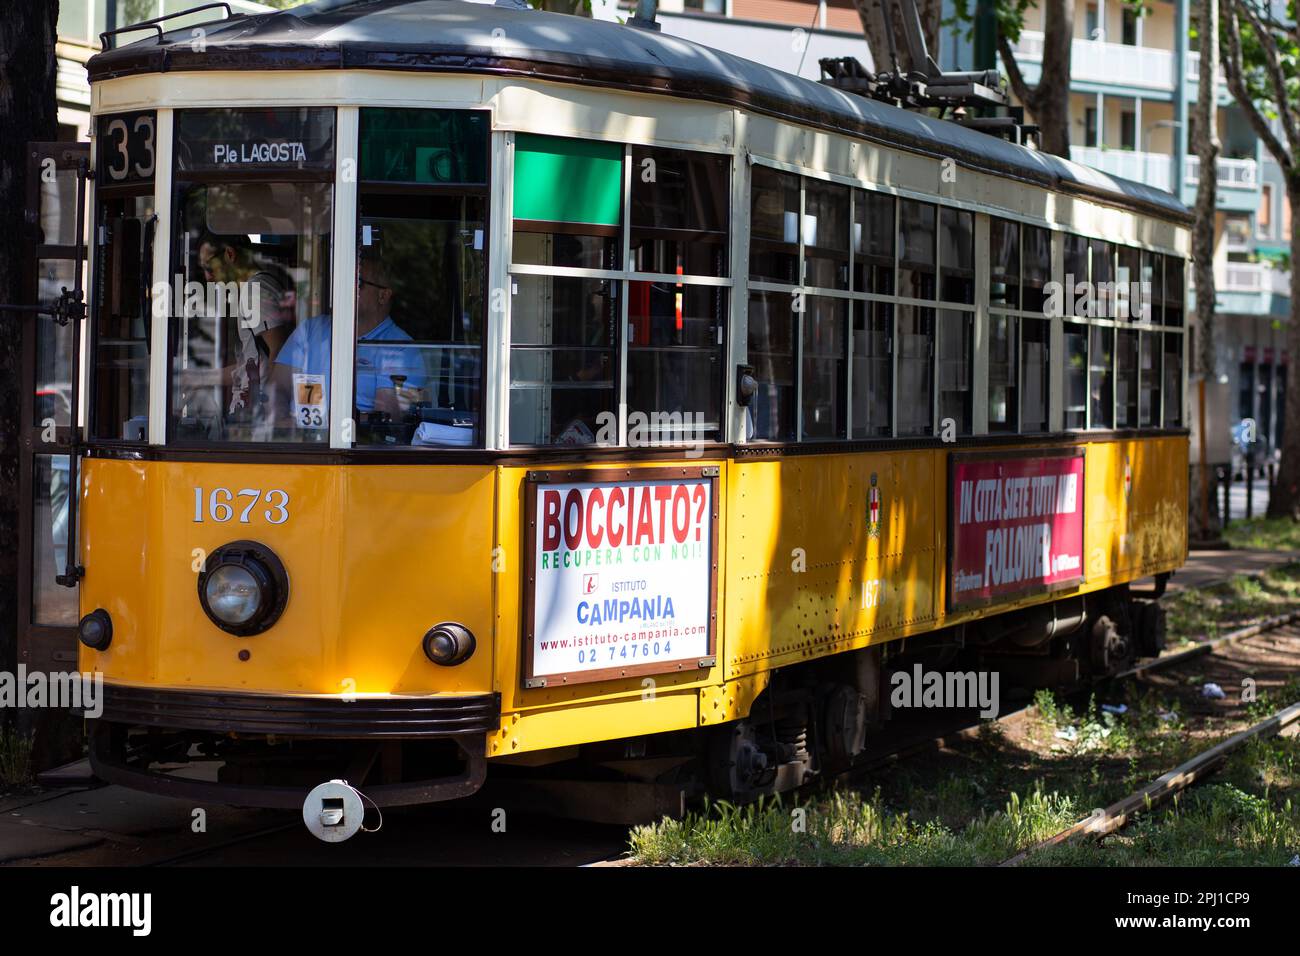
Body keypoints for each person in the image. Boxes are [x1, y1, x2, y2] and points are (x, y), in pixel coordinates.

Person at [273, 256, 425, 430]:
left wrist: (330, 426)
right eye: (342, 278)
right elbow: (277, 388)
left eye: (357, 282)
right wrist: (281, 425)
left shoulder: (401, 348)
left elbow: (385, 419)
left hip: (356, 446)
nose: (344, 286)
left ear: (383, 295)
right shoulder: (310, 329)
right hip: (300, 445)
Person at [197, 233, 292, 434]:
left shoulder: (253, 292)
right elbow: (253, 362)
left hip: (262, 416)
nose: (207, 277)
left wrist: (271, 409)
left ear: (230, 254)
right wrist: (202, 378)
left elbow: (280, 350)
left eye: (208, 267)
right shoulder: (251, 290)